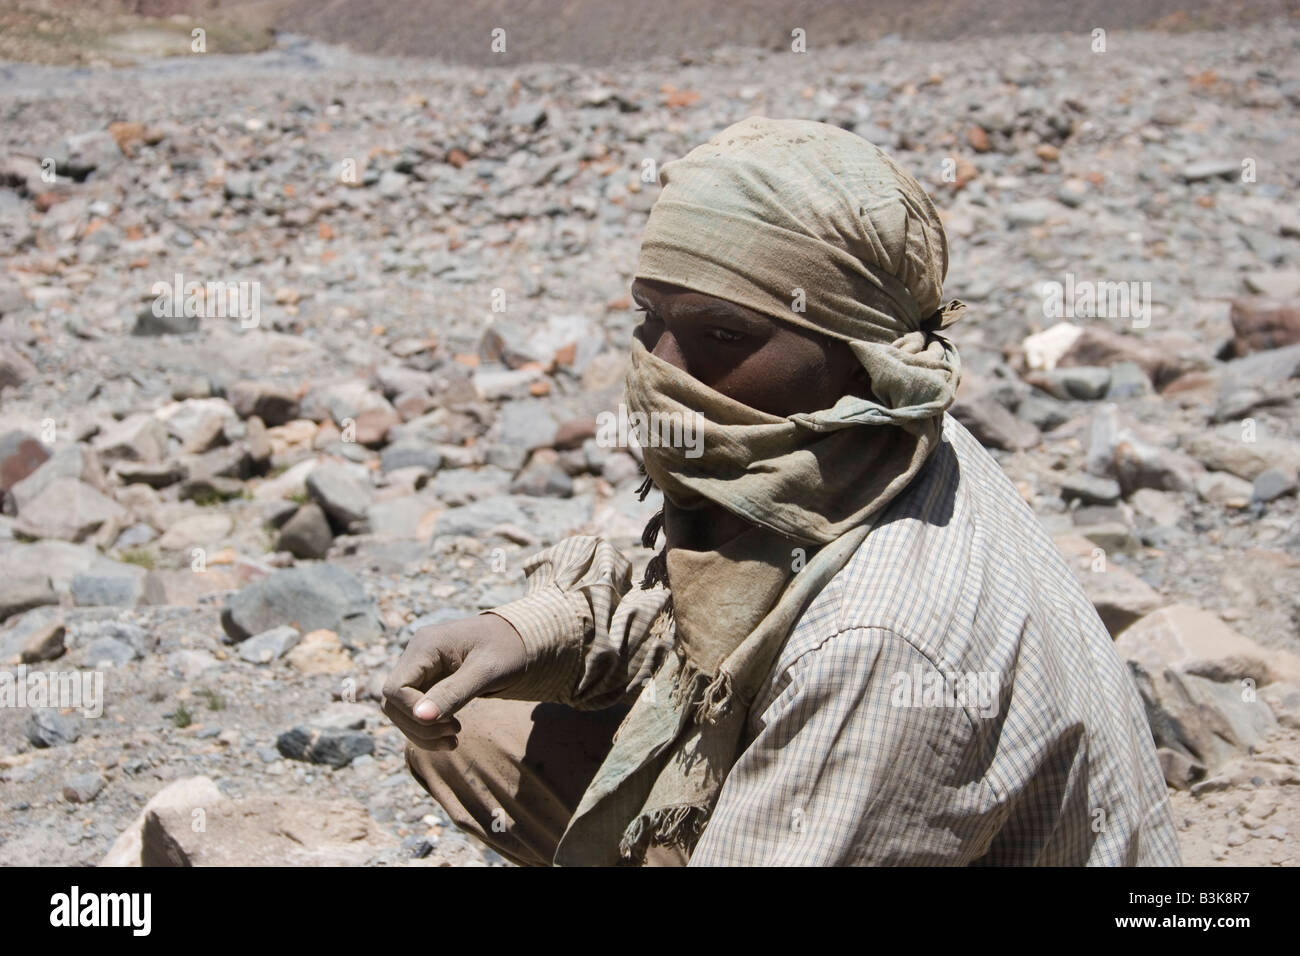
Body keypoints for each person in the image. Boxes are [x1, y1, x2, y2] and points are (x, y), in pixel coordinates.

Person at [382, 117, 1182, 867]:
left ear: (857, 349)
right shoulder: (865, 446)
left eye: (724, 336)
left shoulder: (877, 641)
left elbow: (820, 650)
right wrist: (530, 632)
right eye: (648, 317)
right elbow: (707, 620)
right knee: (488, 729)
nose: (664, 368)